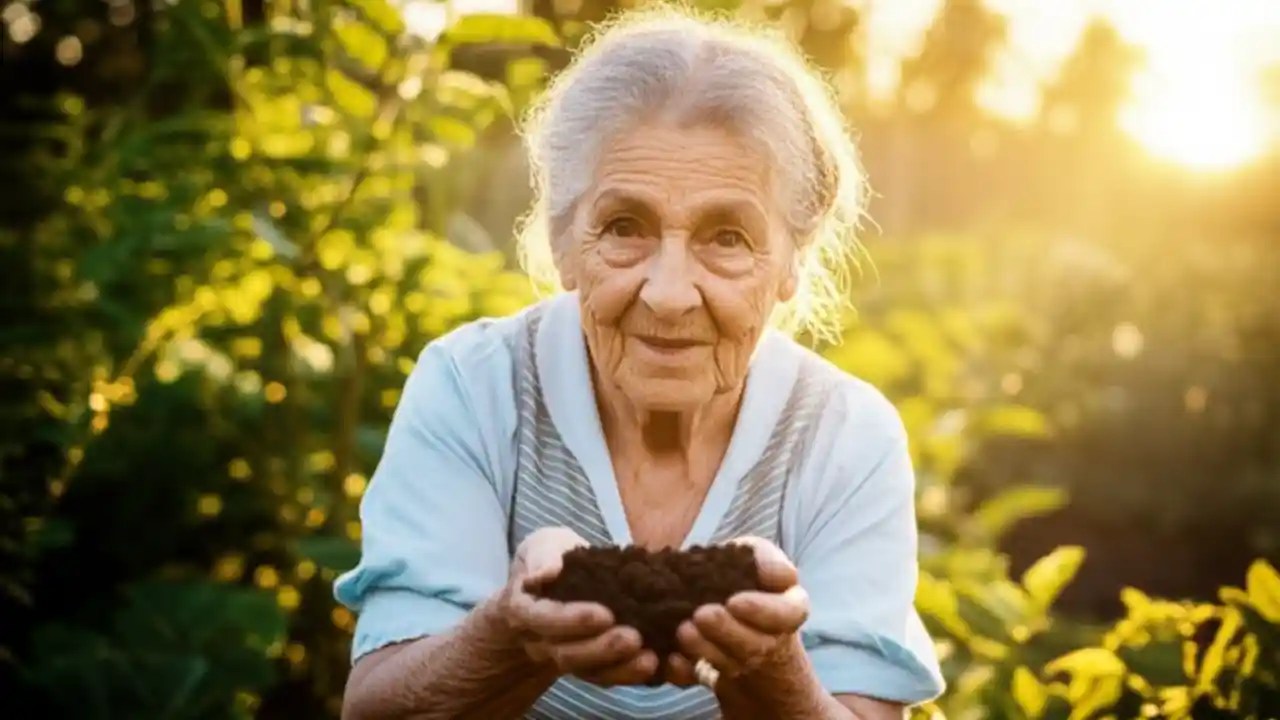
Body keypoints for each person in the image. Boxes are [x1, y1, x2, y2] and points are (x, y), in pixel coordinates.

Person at [335, 8, 944, 719]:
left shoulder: (845, 435)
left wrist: (773, 672)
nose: (669, 294)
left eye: (727, 237)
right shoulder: (475, 387)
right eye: (625, 227)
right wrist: (511, 635)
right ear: (564, 243)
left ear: (791, 263)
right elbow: (374, 709)